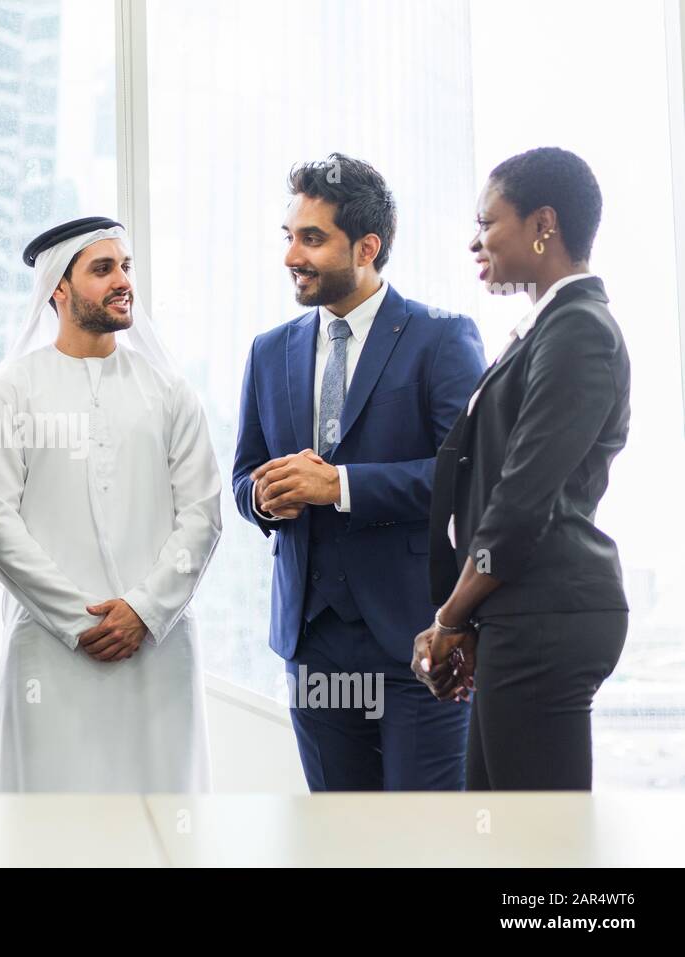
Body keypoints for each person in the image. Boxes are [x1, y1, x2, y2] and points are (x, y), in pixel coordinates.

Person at [232, 154, 486, 791]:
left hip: (418, 641)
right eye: (289, 236)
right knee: (337, 840)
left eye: (312, 239)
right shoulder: (268, 351)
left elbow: (467, 477)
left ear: (367, 246)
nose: (293, 254)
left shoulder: (441, 338)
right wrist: (265, 498)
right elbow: (242, 480)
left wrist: (339, 487)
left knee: (423, 839)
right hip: (312, 642)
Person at [0, 216, 222, 793]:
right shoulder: (11, 389)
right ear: (59, 287)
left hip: (159, 644)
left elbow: (203, 515)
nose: (123, 281)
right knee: (55, 828)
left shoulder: (169, 390)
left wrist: (143, 611)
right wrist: (76, 620)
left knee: (162, 823)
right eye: (103, 268)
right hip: (49, 650)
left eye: (126, 267)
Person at [419, 147, 630, 791]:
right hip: (523, 612)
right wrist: (475, 620)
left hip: (549, 614)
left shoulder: (579, 330)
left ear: (544, 225)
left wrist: (451, 617)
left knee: (540, 855)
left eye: (487, 223)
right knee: (502, 836)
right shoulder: (546, 327)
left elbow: (520, 500)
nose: (475, 241)